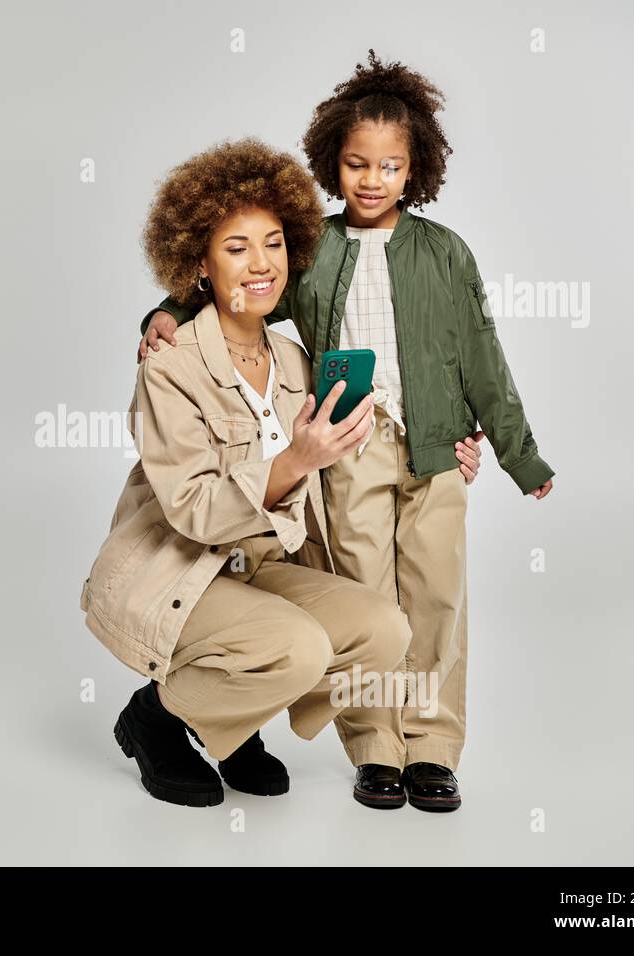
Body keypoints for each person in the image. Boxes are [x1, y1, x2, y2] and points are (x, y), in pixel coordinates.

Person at [136, 52, 553, 811]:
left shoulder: (444, 253)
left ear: (414, 169)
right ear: (333, 162)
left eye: (389, 167)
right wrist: (164, 313)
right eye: (357, 164)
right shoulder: (310, 251)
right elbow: (237, 295)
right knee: (366, 592)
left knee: (436, 600)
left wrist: (518, 454)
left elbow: (484, 358)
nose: (371, 180)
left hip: (436, 449)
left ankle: (431, 743)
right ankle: (374, 746)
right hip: (347, 449)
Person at [80, 138, 418, 808]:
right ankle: (158, 718)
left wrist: (456, 441)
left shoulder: (295, 360)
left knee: (384, 629)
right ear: (199, 263)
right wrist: (296, 459)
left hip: (256, 566)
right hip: (181, 567)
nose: (261, 264)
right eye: (236, 248)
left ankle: (228, 724)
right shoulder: (170, 362)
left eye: (274, 244)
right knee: (293, 647)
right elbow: (194, 509)